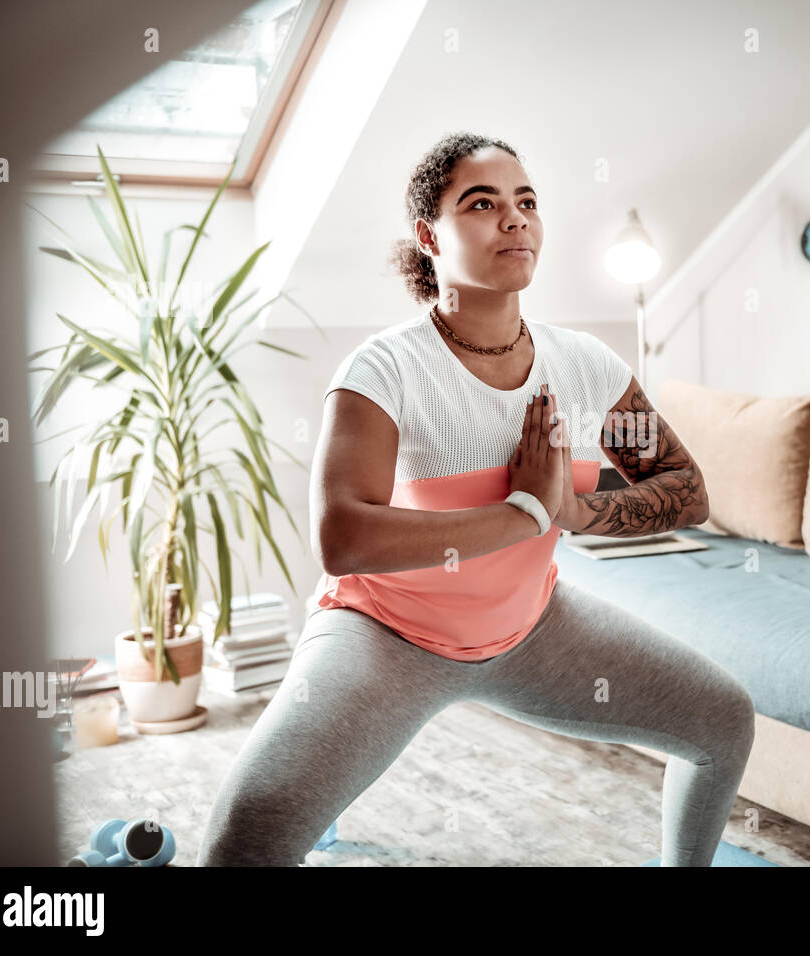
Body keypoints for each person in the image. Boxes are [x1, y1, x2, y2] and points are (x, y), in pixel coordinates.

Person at [195, 132, 756, 866]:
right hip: (386, 636)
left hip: (533, 631)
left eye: (526, 201)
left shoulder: (584, 363)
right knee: (250, 826)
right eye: (482, 203)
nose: (515, 219)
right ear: (430, 236)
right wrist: (521, 512)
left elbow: (687, 490)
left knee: (723, 722)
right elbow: (343, 537)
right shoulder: (384, 369)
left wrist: (571, 510)